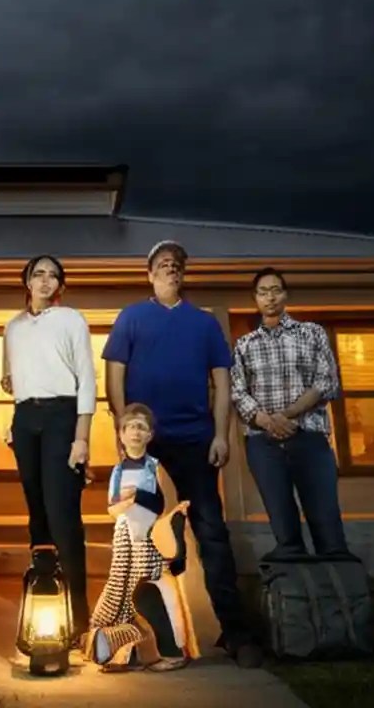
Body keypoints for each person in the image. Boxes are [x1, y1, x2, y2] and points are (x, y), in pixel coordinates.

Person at [101, 240, 264, 669]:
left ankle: (235, 631)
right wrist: (123, 430)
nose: (170, 270)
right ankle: (133, 634)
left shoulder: (204, 324)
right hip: (145, 443)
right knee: (136, 537)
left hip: (195, 438)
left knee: (211, 531)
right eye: (162, 264)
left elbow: (223, 383)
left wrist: (221, 435)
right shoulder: (132, 318)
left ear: (183, 274)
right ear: (149, 274)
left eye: (177, 265)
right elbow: (114, 374)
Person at [0, 254, 94, 643]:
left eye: (52, 276)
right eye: (37, 274)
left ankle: (79, 619)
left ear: (60, 286)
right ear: (26, 281)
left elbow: (86, 378)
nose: (44, 281)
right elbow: (10, 378)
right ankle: (44, 607)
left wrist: (82, 437)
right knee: (36, 513)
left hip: (61, 416)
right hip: (25, 420)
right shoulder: (12, 327)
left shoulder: (71, 319)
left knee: (62, 516)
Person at [229, 267, 350, 558]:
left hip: (308, 436)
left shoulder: (312, 333)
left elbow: (326, 381)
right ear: (255, 299)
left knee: (326, 522)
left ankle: (340, 594)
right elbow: (237, 391)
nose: (269, 297)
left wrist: (289, 415)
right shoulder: (245, 345)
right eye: (262, 292)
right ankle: (297, 594)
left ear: (285, 295)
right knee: (284, 527)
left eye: (275, 290)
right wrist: (267, 421)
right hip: (264, 443)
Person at [86, 403, 200, 673]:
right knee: (121, 593)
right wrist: (122, 504)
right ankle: (123, 653)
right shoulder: (118, 470)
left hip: (152, 538)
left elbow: (165, 503)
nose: (136, 433)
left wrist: (137, 498)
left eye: (142, 427)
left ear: (150, 435)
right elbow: (112, 506)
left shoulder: (155, 468)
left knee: (158, 591)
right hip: (126, 539)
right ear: (121, 434)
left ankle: (173, 649)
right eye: (130, 427)